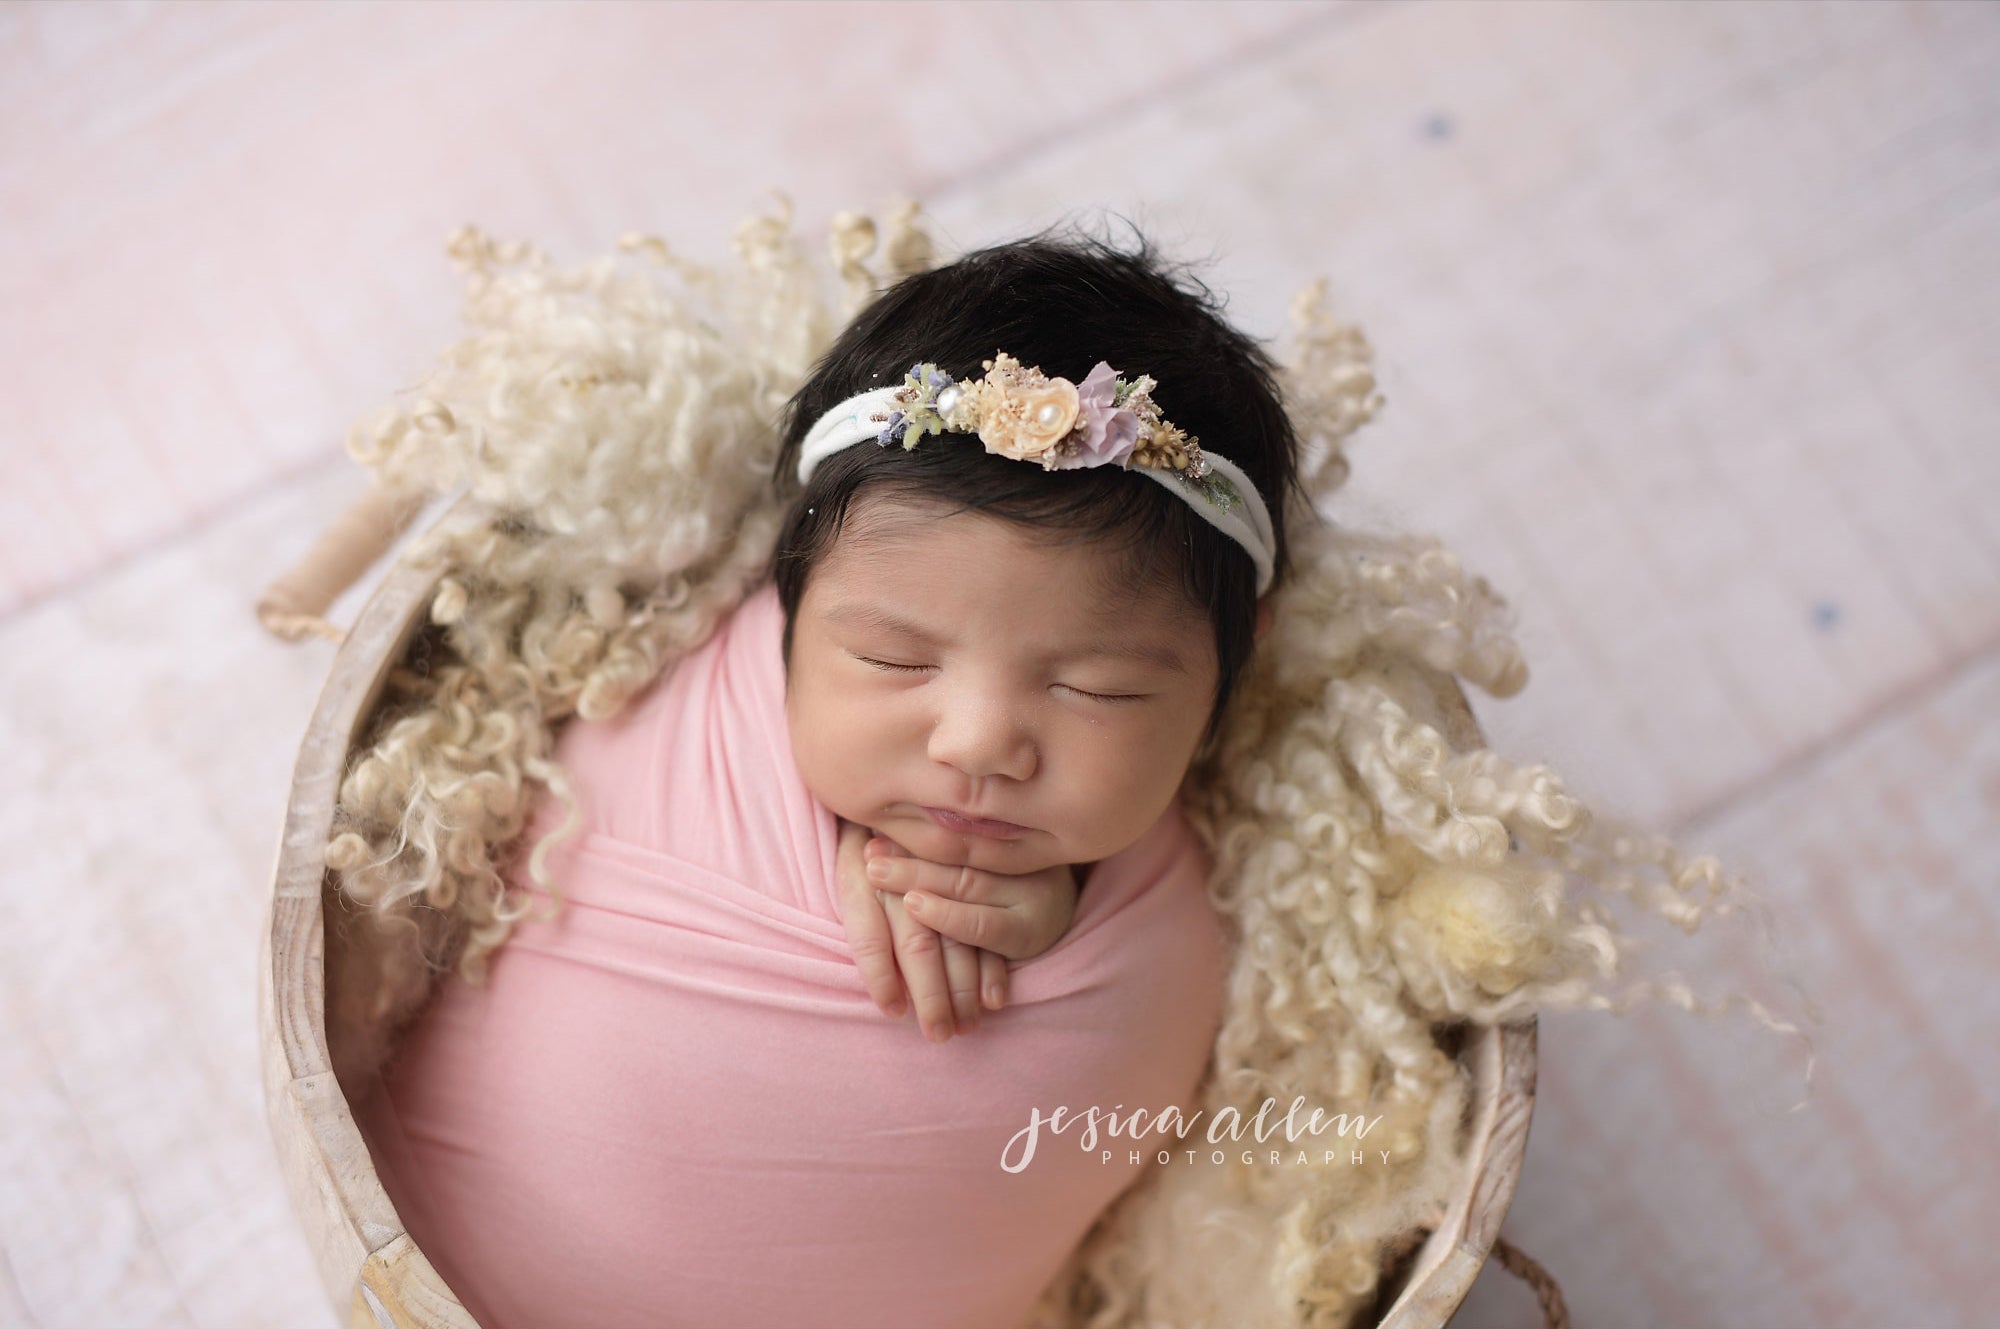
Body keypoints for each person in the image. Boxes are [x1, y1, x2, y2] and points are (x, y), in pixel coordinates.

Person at [352, 227, 1308, 1329]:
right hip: (416, 1269)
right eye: (894, 660)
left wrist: (1066, 910)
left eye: (1098, 689)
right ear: (787, 594)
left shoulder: (1201, 905)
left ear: (1238, 663)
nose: (975, 743)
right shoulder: (677, 662)